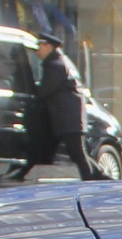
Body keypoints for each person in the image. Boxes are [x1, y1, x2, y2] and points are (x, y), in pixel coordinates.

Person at [31, 34, 104, 180]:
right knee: (77, 152)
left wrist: (32, 91)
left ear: (48, 46)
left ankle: (91, 181)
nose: (37, 51)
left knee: (77, 152)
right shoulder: (60, 61)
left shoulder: (55, 65)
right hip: (68, 116)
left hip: (67, 117)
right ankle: (100, 177)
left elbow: (45, 90)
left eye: (39, 46)